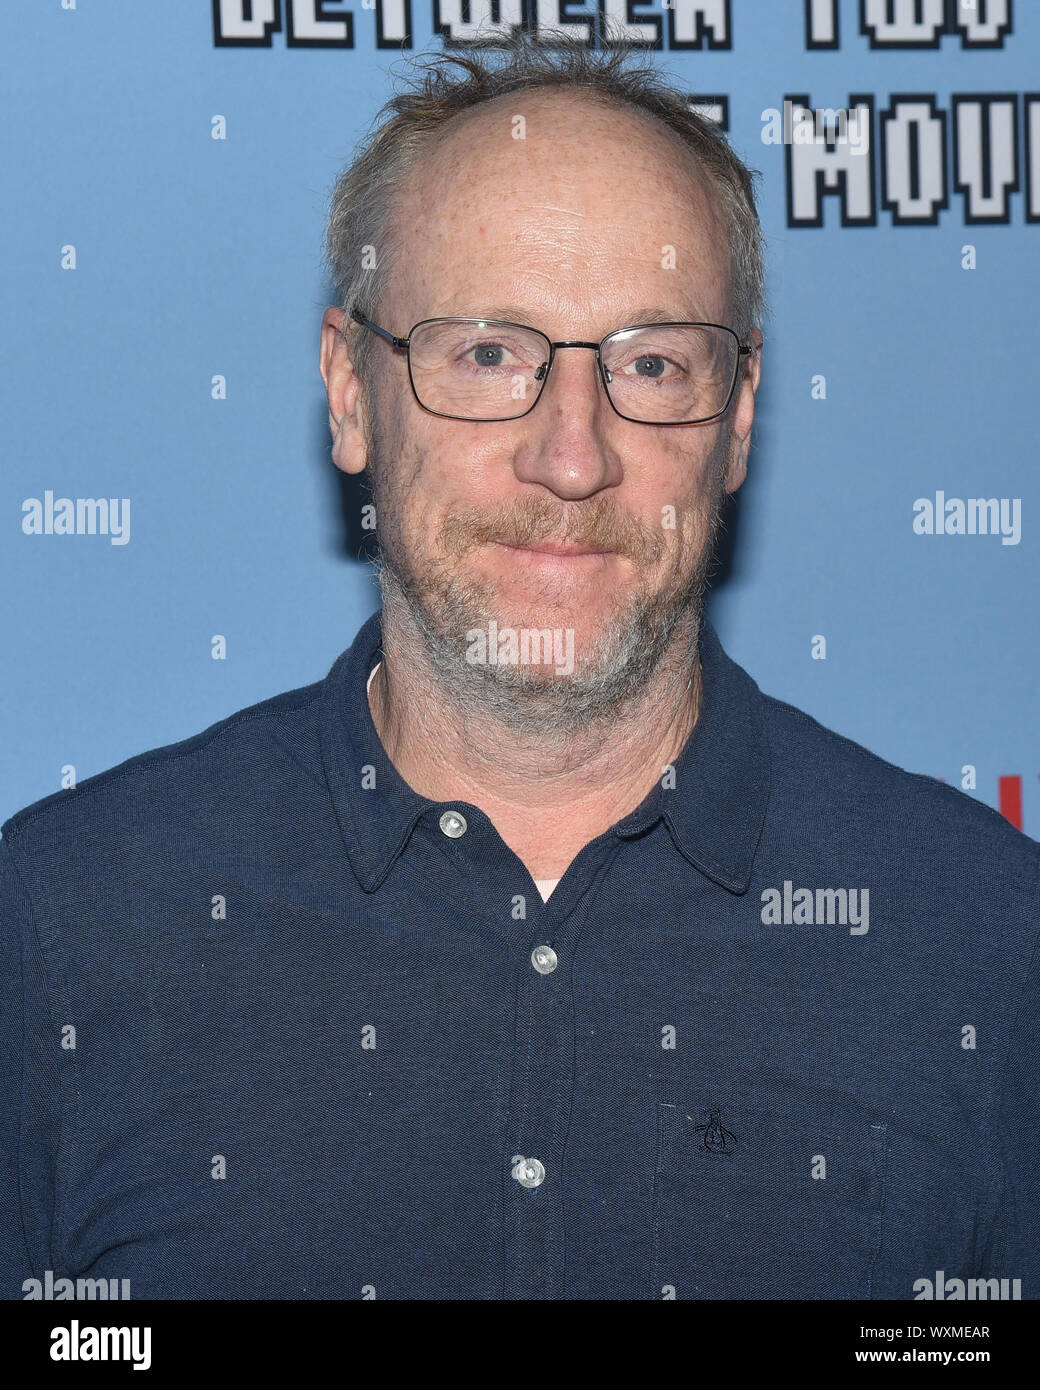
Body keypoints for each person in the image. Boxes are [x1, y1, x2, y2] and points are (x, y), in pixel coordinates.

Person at [2, 34, 1037, 1302]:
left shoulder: (986, 941)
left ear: (736, 421)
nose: (571, 456)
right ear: (348, 392)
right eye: (487, 354)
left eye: (650, 364)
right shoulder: (62, 926)